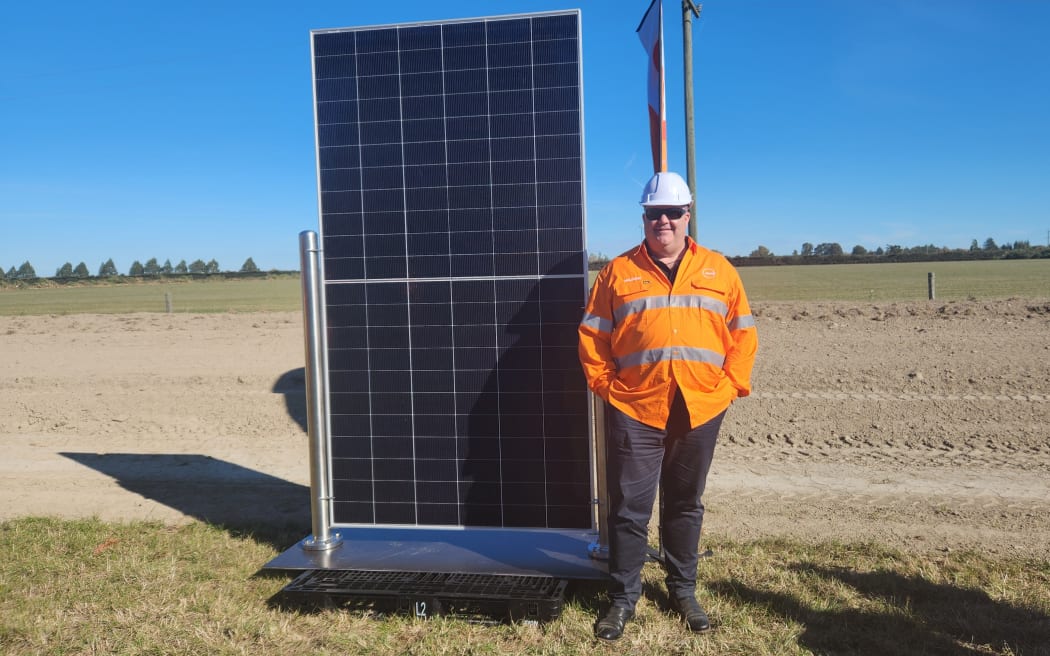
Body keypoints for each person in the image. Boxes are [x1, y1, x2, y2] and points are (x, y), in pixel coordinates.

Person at [578, 171, 758, 641]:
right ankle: (623, 597)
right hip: (637, 408)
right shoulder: (618, 272)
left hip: (699, 408)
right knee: (629, 508)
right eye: (654, 213)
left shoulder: (720, 270)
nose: (663, 221)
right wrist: (605, 385)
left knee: (684, 504)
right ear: (644, 218)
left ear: (687, 216)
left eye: (672, 212)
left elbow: (743, 333)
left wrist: (732, 383)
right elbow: (593, 336)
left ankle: (683, 590)